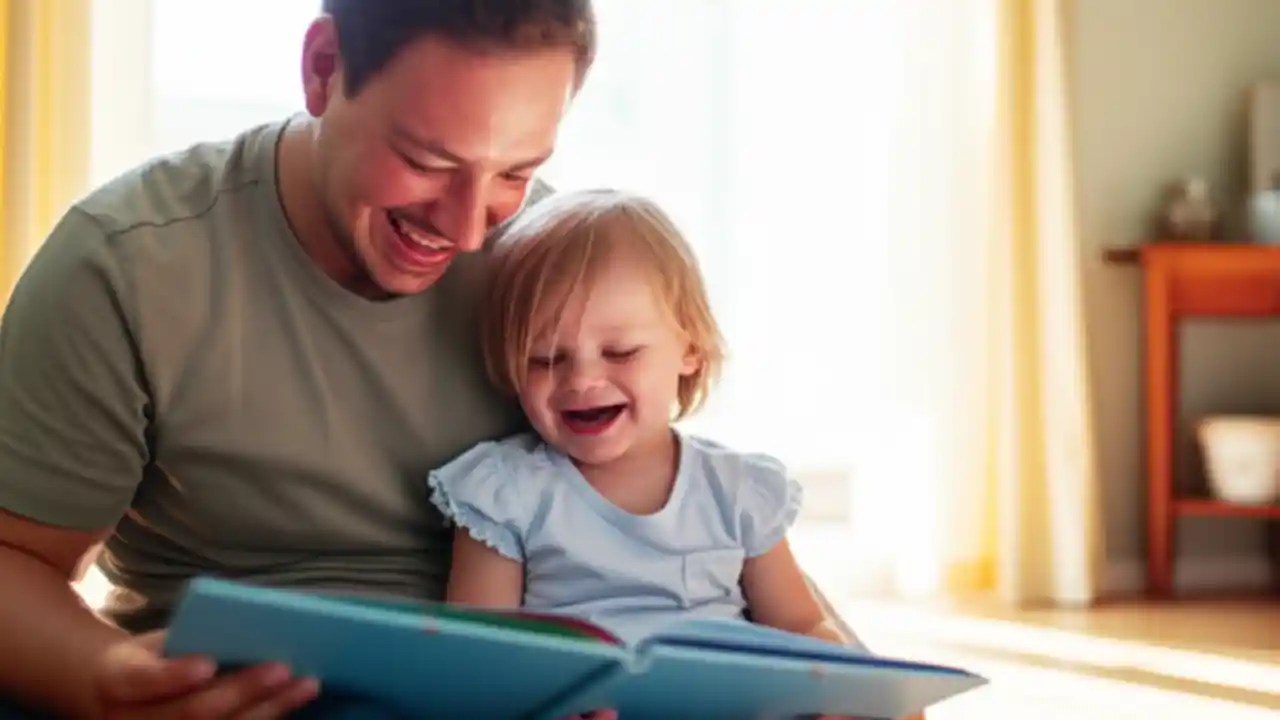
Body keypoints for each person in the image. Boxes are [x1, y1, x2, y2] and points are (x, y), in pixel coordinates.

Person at [0, 1, 854, 718]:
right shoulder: (127, 264)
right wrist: (101, 678)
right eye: (427, 162)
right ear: (325, 67)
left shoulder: (548, 261)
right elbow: (16, 560)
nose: (473, 227)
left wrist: (839, 669)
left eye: (517, 172)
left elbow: (681, 509)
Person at [431, 189, 848, 648]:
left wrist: (842, 685)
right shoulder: (506, 492)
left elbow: (800, 627)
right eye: (546, 359)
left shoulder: (736, 490)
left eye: (621, 352)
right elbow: (476, 650)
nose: (583, 379)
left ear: (689, 350)